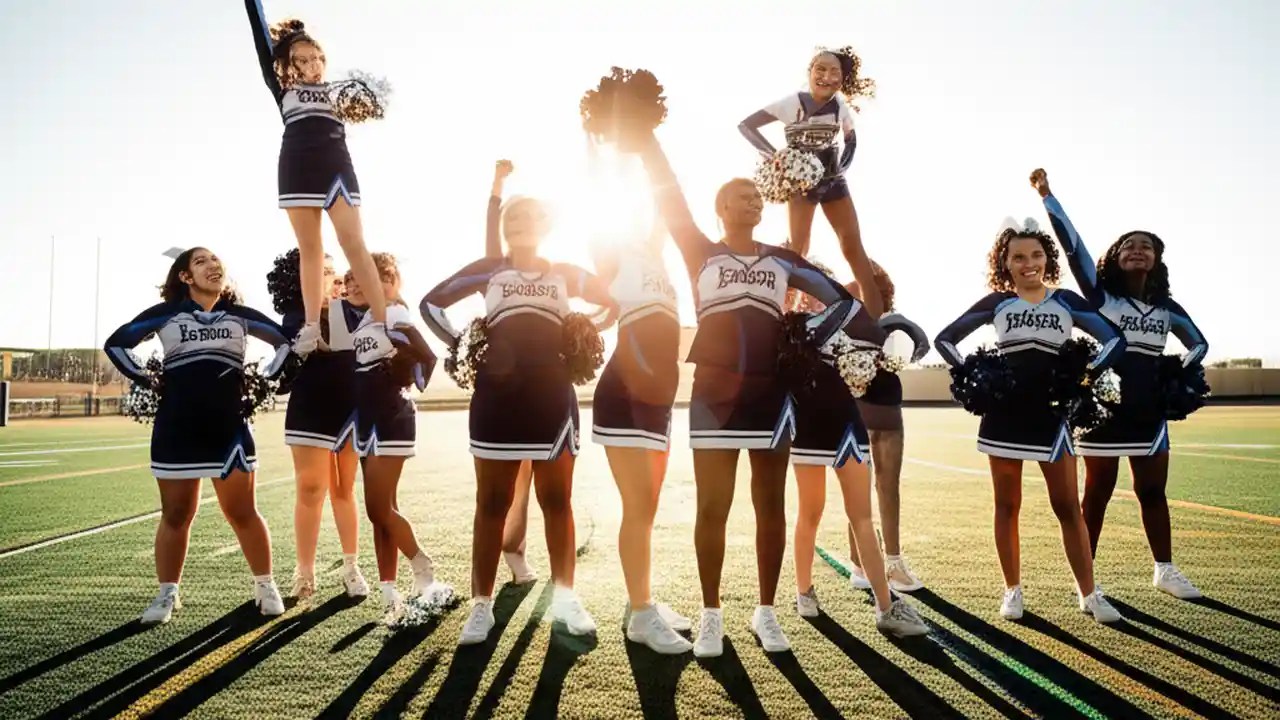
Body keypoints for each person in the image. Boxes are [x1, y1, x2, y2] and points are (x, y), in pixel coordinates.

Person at [638, 130, 863, 657]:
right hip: (714, 391)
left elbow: (840, 300)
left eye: (758, 198)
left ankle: (766, 611)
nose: (754, 202)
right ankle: (711, 613)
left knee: (770, 505)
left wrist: (807, 337)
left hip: (770, 394)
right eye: (742, 197)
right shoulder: (700, 250)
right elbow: (668, 197)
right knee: (712, 507)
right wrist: (647, 138)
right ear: (721, 208)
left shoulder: (782, 258)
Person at [421, 196, 619, 646]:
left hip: (552, 397)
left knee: (557, 500)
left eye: (532, 215)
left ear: (546, 224)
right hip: (497, 398)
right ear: (505, 226)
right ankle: (481, 606)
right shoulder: (489, 268)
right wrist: (466, 342)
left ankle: (566, 600)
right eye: (514, 216)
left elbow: (609, 304)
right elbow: (431, 304)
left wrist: (581, 333)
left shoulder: (564, 272)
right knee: (491, 502)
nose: (523, 222)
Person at [933, 219, 1127, 623]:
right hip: (1005, 414)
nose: (1028, 263)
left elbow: (1114, 339)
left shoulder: (1066, 301)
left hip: (1051, 413)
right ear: (1005, 262)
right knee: (1007, 505)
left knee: (1067, 507)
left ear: (1047, 258)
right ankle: (1012, 591)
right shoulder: (997, 303)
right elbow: (945, 339)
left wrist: (1086, 374)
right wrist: (975, 375)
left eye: (1036, 254)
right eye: (1018, 256)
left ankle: (1090, 593)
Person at [1032, 168, 1208, 599]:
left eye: (1146, 246)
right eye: (1129, 245)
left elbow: (1199, 344)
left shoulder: (1168, 308)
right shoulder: (1101, 299)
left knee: (1152, 491)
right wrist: (1049, 198)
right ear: (1115, 255)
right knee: (1097, 492)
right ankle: (1086, 581)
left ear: (1156, 260)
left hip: (1149, 412)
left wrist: (1177, 376)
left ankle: (1165, 569)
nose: (1137, 250)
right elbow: (1074, 251)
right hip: (1104, 411)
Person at [104, 248, 291, 624]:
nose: (213, 265)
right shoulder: (167, 314)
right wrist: (147, 377)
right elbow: (117, 343)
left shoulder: (240, 316)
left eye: (216, 260)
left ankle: (265, 584)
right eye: (201, 261)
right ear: (186, 276)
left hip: (229, 429)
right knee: (176, 514)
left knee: (242, 511)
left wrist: (266, 380)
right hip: (178, 426)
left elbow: (284, 343)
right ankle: (167, 593)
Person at [243, 1, 396, 363]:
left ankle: (381, 321)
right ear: (287, 64)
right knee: (310, 248)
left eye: (317, 58)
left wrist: (373, 100)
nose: (312, 65)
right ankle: (311, 327)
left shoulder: (341, 92)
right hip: (297, 165)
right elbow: (259, 30)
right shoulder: (281, 88)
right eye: (303, 59)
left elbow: (376, 107)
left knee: (353, 242)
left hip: (336, 168)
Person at [784, 266, 930, 638]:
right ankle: (804, 591)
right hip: (809, 430)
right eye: (804, 290)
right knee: (810, 513)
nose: (812, 296)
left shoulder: (851, 317)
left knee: (861, 515)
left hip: (849, 427)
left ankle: (886, 606)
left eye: (818, 288)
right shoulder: (790, 326)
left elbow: (904, 338)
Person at [351, 253, 452, 621]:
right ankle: (389, 592)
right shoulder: (366, 318)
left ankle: (422, 564)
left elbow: (426, 355)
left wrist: (406, 377)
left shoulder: (393, 312)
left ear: (389, 282)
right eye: (355, 279)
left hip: (390, 416)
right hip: (367, 419)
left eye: (367, 278)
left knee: (379, 508)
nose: (356, 284)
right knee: (380, 511)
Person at [271, 253, 368, 602]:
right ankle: (305, 571)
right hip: (311, 406)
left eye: (331, 270)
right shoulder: (295, 317)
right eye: (322, 270)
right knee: (311, 489)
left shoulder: (355, 311)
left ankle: (351, 566)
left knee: (344, 488)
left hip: (348, 406)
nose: (331, 277)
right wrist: (296, 351)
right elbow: (280, 377)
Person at [738, 46, 879, 286]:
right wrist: (776, 158)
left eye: (834, 72)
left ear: (842, 79)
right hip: (802, 181)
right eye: (820, 69)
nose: (826, 77)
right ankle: (782, 308)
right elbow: (746, 125)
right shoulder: (791, 104)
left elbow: (851, 141)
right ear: (809, 72)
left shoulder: (840, 107)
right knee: (799, 247)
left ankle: (875, 314)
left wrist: (842, 169)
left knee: (852, 245)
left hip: (833, 180)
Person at [844, 263, 931, 593]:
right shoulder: (847, 325)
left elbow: (921, 343)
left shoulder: (894, 322)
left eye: (875, 291)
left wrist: (901, 349)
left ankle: (893, 563)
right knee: (858, 490)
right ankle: (859, 565)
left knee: (888, 488)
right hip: (857, 412)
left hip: (889, 413)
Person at [484, 160, 539, 586]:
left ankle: (516, 551)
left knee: (528, 480)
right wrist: (498, 184)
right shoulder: (494, 266)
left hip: (541, 388)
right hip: (500, 390)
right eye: (512, 219)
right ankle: (502, 552)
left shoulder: (547, 269)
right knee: (497, 488)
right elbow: (492, 224)